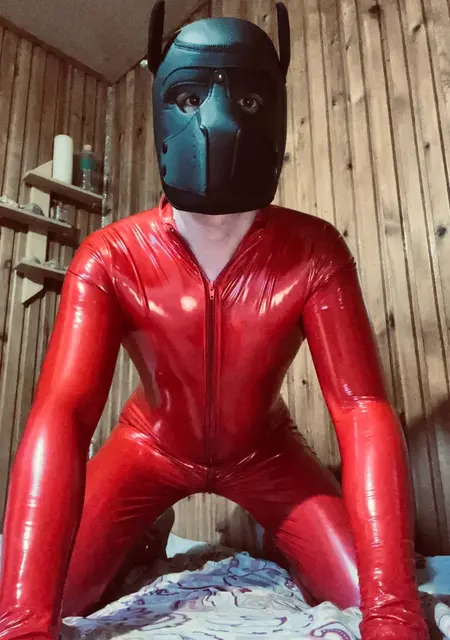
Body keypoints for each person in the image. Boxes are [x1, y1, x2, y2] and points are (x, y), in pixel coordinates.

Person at [0, 2, 429, 638]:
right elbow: (63, 410)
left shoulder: (315, 250)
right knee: (58, 592)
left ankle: (276, 531)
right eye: (190, 96)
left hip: (265, 450)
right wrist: (23, 621)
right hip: (149, 446)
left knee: (364, 592)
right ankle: (147, 532)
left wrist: (394, 612)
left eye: (249, 100)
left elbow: (361, 407)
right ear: (161, 109)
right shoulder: (110, 255)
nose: (220, 122)